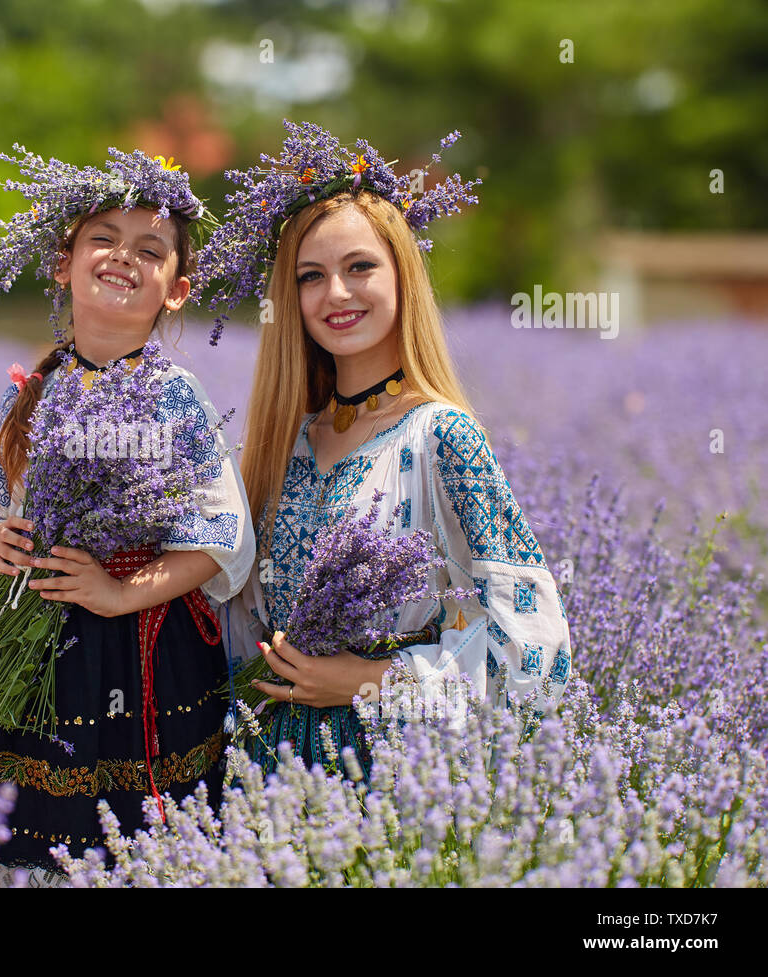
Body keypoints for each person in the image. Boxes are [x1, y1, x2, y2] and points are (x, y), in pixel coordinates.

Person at [196, 123, 572, 777]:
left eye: (360, 266)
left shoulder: (441, 437)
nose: (336, 293)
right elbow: (224, 619)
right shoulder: (277, 446)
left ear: (402, 275)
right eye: (312, 276)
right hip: (261, 770)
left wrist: (372, 680)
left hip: (393, 772)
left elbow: (534, 643)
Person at [0, 148, 254, 882]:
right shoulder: (33, 386)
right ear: (64, 261)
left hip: (146, 646)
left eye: (150, 250)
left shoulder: (174, 394)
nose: (123, 257)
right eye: (103, 239)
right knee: (38, 831)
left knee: (142, 835)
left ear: (177, 290)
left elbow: (223, 537)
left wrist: (121, 590)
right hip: (46, 641)